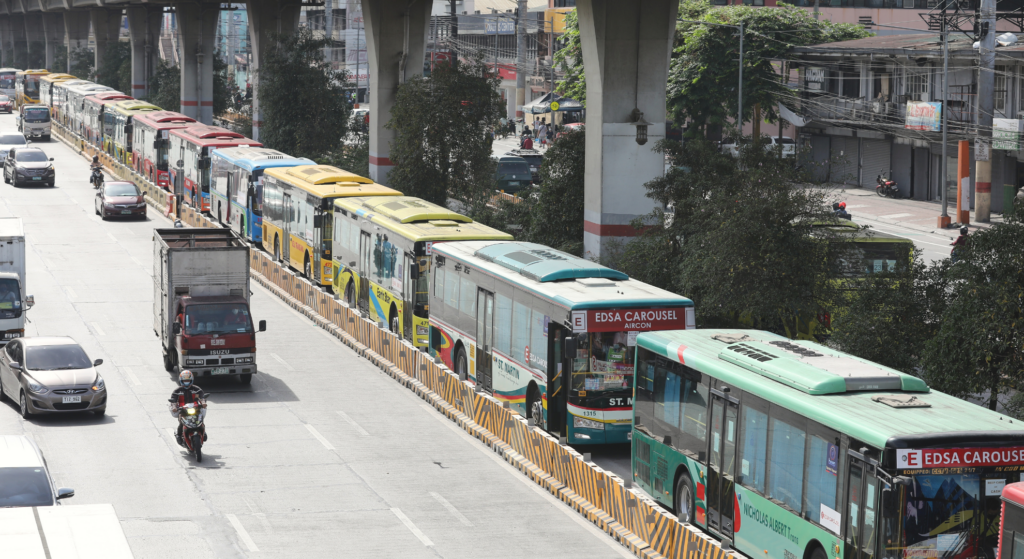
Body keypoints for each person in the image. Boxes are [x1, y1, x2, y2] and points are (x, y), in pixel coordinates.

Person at [169, 370, 207, 447]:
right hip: (183, 410)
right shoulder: (177, 391)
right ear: (181, 380)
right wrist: (174, 407)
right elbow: (173, 400)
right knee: (181, 422)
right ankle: (179, 435)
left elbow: (202, 396)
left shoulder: (196, 389)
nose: (186, 382)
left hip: (195, 409)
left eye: (188, 380)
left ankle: (203, 431)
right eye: (184, 380)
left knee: (201, 419)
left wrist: (203, 402)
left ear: (191, 380)